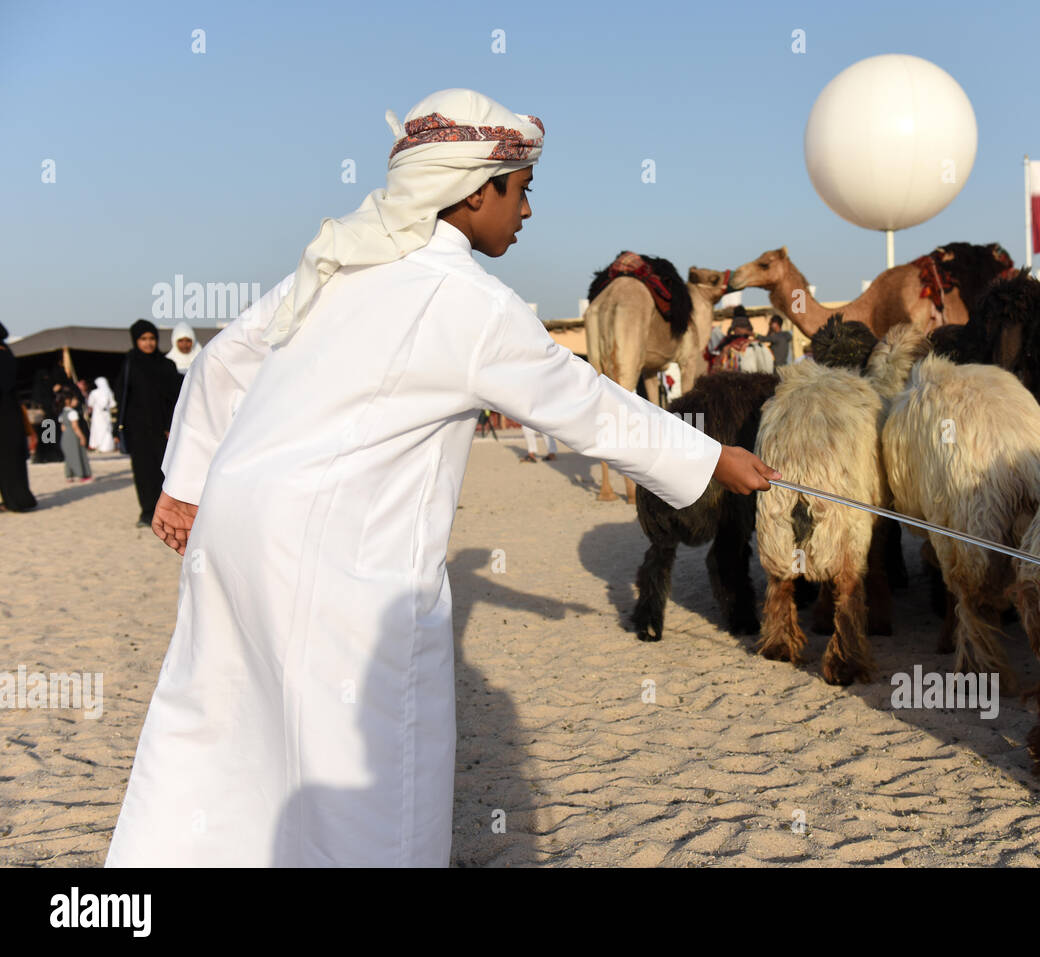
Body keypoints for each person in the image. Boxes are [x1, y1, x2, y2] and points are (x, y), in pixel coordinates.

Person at [104, 88, 777, 868]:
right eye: (521, 191)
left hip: (235, 533)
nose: (528, 212)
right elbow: (589, 405)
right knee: (374, 771)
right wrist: (710, 457)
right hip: (339, 562)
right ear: (474, 191)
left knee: (220, 734)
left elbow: (222, 361)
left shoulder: (337, 263)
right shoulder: (471, 303)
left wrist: (184, 486)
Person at [115, 320, 181, 525]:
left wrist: (171, 426)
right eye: (143, 339)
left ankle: (169, 512)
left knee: (166, 471)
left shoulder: (166, 365)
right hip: (139, 430)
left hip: (163, 430)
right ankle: (148, 511)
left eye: (152, 338)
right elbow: (121, 395)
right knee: (144, 472)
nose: (148, 343)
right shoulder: (129, 364)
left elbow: (175, 399)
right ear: (135, 340)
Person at [0, 321, 38, 512]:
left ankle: (12, 500)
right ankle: (17, 498)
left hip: (6, 414)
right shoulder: (7, 352)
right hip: (12, 413)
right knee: (12, 460)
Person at [58, 392, 93, 483]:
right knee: (78, 454)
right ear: (68, 401)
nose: (76, 401)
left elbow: (63, 427)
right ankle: (82, 475)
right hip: (73, 435)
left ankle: (69, 475)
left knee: (69, 456)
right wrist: (82, 437)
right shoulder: (73, 413)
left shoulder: (62, 413)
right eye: (74, 399)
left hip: (65, 436)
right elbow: (75, 427)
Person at [86, 376, 118, 452]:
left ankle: (97, 445)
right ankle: (107, 446)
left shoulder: (94, 392)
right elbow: (113, 404)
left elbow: (90, 404)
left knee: (97, 429)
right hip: (106, 414)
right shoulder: (109, 392)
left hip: (97, 414)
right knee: (106, 429)